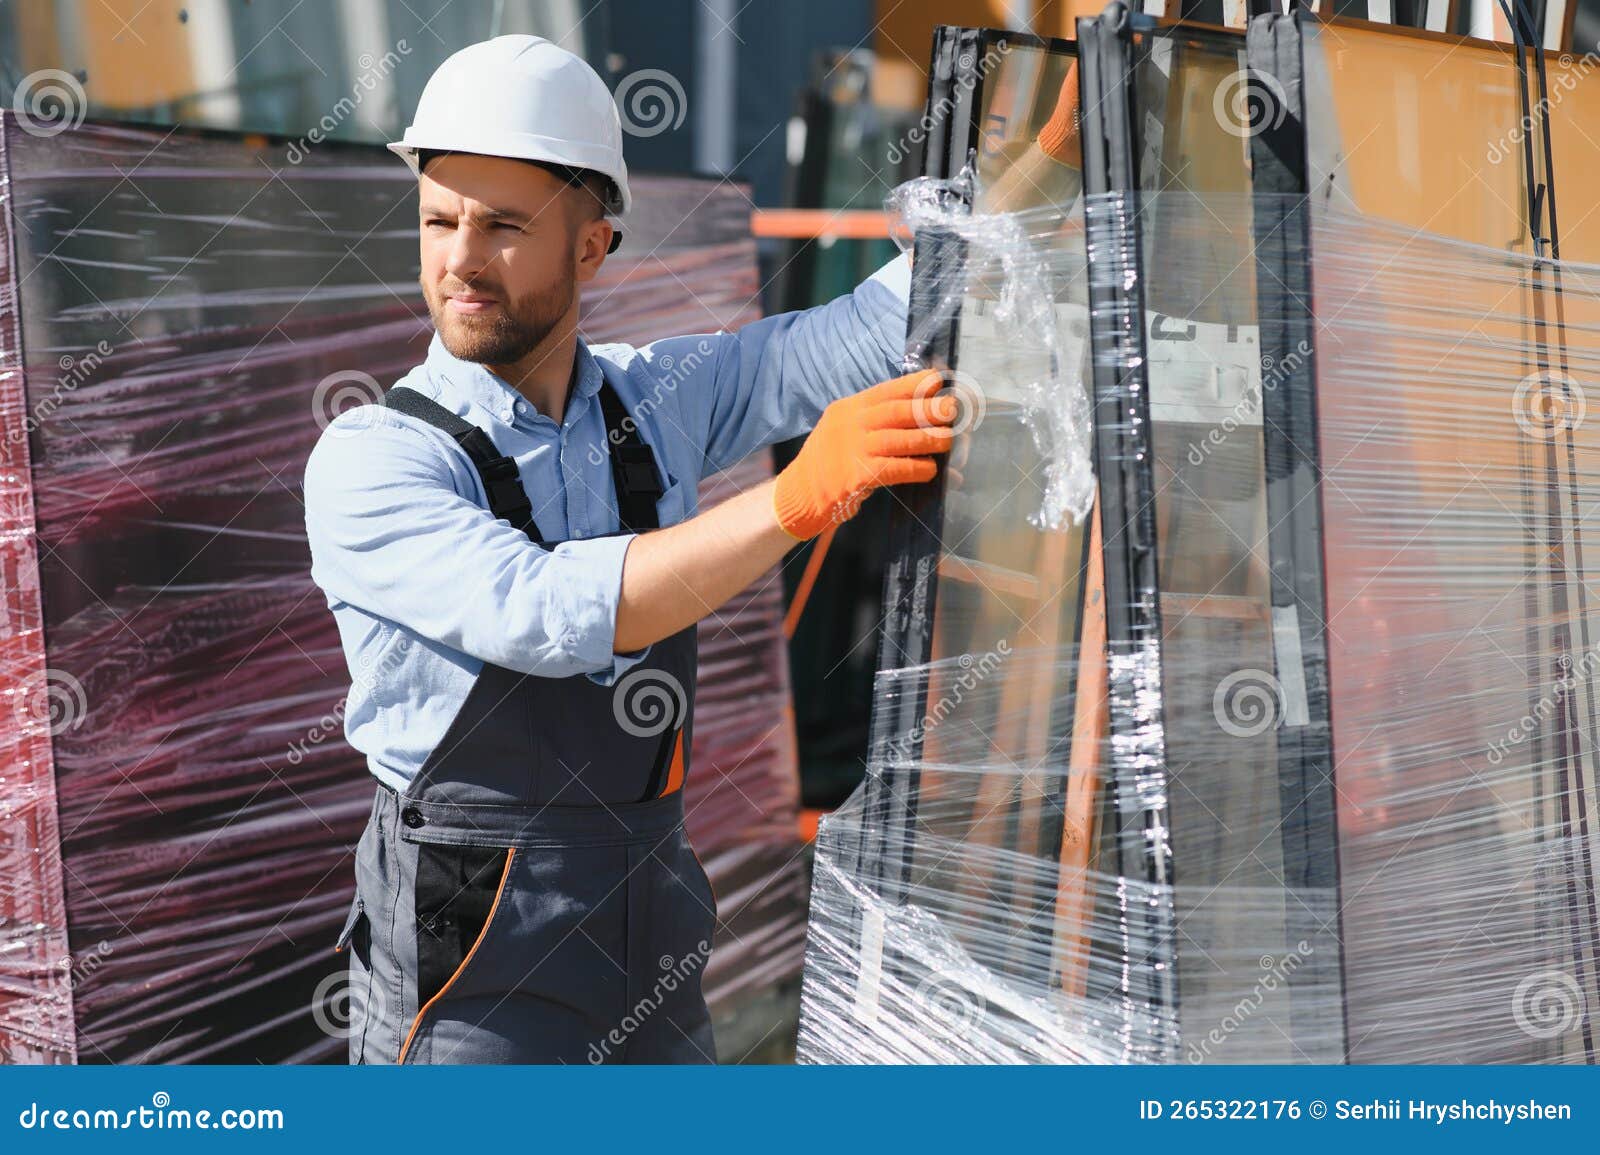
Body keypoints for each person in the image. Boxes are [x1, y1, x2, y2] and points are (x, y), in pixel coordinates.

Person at [303, 34, 954, 1065]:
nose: (460, 260)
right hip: (474, 955)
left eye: (503, 226)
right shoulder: (374, 459)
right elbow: (551, 610)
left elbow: (850, 341)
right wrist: (796, 499)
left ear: (592, 247)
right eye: (439, 221)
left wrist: (1007, 192)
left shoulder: (651, 401)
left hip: (647, 915)